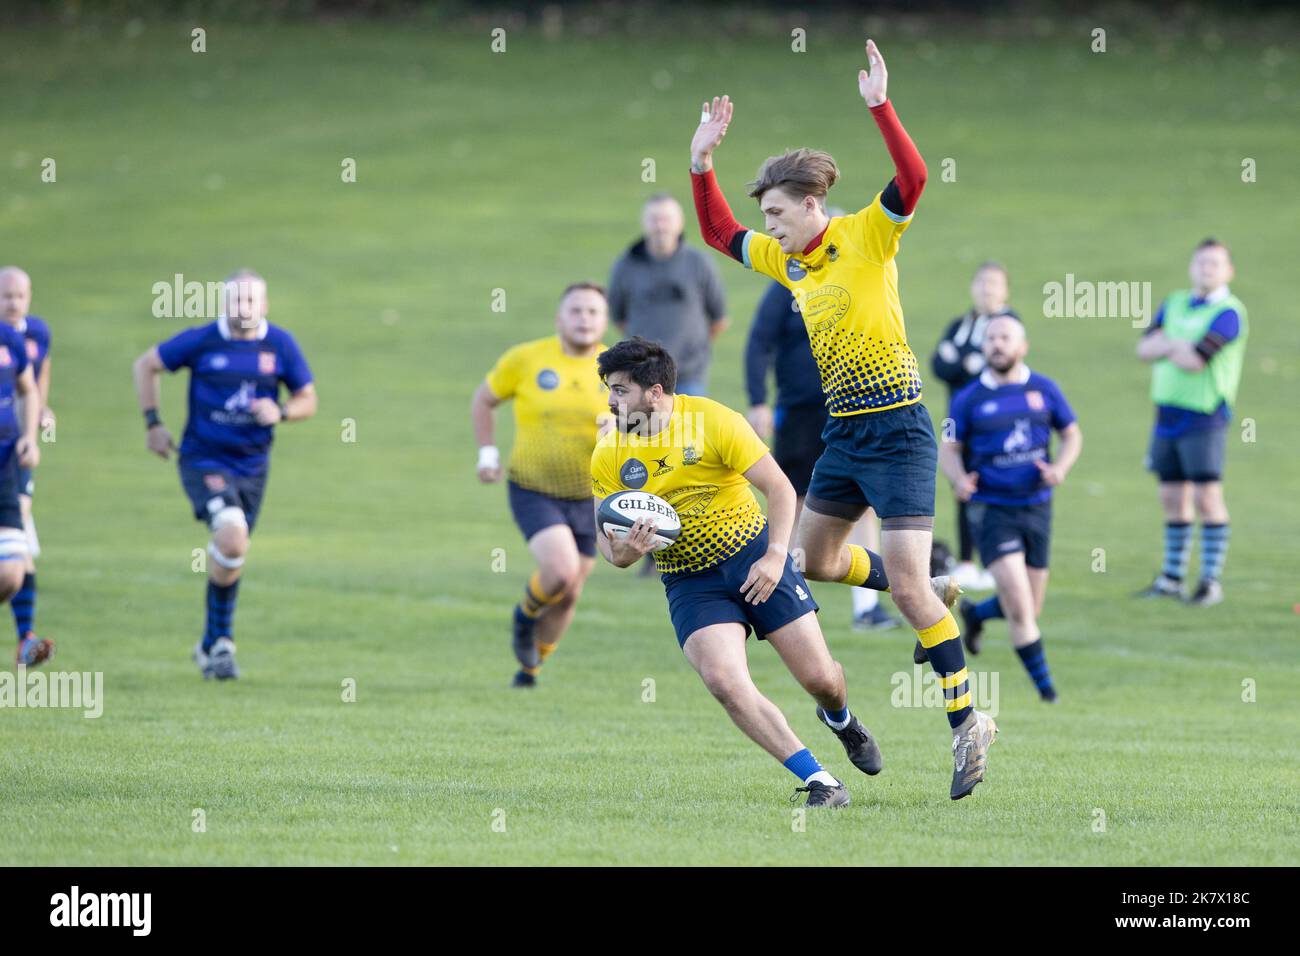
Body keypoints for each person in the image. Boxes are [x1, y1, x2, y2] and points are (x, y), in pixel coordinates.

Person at [688, 39, 994, 799]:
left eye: (779, 214)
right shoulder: (790, 262)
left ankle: (968, 723)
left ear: (813, 205)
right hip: (845, 435)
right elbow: (719, 234)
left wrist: (879, 106)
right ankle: (930, 587)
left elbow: (914, 178)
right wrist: (701, 165)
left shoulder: (866, 233)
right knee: (818, 562)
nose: (772, 226)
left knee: (915, 595)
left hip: (899, 429)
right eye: (769, 216)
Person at [591, 337, 880, 808]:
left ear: (655, 392)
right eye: (609, 388)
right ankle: (821, 782)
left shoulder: (713, 421)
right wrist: (628, 551)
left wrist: (776, 555)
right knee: (725, 682)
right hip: (689, 580)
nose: (610, 400)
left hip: (753, 555)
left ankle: (841, 720)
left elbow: (781, 491)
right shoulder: (608, 454)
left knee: (822, 680)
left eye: (621, 390)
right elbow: (612, 552)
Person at [132, 270, 317, 680]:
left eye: (251, 301)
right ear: (223, 303)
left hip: (252, 468)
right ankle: (222, 644)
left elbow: (308, 399)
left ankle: (212, 644)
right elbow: (146, 365)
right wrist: (153, 424)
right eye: (236, 301)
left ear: (265, 305)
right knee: (232, 535)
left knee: (233, 551)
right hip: (204, 459)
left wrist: (282, 412)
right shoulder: (203, 340)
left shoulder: (280, 345)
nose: (243, 309)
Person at [931, 316, 1083, 702]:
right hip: (991, 510)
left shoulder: (1045, 389)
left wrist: (1060, 469)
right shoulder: (966, 398)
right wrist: (959, 479)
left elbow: (1072, 434)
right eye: (992, 338)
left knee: (1031, 605)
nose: (998, 344)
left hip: (1037, 507)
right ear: (984, 347)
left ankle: (978, 614)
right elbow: (948, 446)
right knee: (1020, 606)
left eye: (1006, 337)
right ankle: (1049, 695)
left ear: (1023, 345)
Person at [471, 283, 611, 687]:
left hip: (590, 493)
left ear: (604, 321)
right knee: (560, 570)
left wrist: (621, 426)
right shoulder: (527, 358)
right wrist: (487, 454)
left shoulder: (617, 367)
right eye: (576, 311)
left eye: (592, 312)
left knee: (570, 592)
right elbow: (484, 399)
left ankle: (531, 668)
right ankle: (524, 615)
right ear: (559, 318)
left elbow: (651, 422)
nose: (584, 319)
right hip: (534, 487)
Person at [743, 273, 899, 630]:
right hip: (799, 411)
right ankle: (794, 603)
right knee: (795, 500)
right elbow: (759, 341)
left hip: (851, 411)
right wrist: (757, 400)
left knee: (859, 504)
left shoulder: (860, 284)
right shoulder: (786, 287)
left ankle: (867, 607)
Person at [1135, 239, 1247, 608]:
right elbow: (1143, 349)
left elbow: (1196, 360)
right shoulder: (1176, 301)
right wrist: (1173, 346)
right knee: (1171, 496)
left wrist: (1167, 343)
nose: (1206, 269)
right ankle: (1171, 578)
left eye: (1215, 264)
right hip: (1166, 415)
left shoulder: (1229, 312)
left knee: (1206, 496)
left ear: (1228, 270)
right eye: (1201, 262)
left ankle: (1210, 581)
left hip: (1205, 416)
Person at [931, 262, 1019, 591]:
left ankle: (997, 559)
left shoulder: (1009, 324)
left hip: (993, 420)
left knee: (993, 484)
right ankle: (968, 561)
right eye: (982, 283)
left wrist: (961, 360)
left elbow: (985, 367)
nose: (987, 290)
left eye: (994, 284)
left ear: (1005, 290)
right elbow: (940, 364)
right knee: (961, 484)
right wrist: (964, 361)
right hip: (957, 417)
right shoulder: (961, 323)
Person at [607, 194, 728, 396]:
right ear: (644, 223)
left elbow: (719, 318)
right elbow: (618, 317)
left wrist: (693, 347)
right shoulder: (626, 265)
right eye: (654, 219)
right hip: (640, 374)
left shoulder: (699, 263)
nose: (660, 226)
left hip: (689, 375)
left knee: (687, 427)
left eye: (667, 219)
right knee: (647, 427)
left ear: (680, 223)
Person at [0, 267, 53, 658]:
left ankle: (26, 636)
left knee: (18, 552)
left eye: (19, 295)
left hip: (11, 456)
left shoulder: (31, 336)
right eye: (6, 296)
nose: (13, 302)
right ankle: (26, 635)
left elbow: (33, 383)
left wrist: (34, 428)